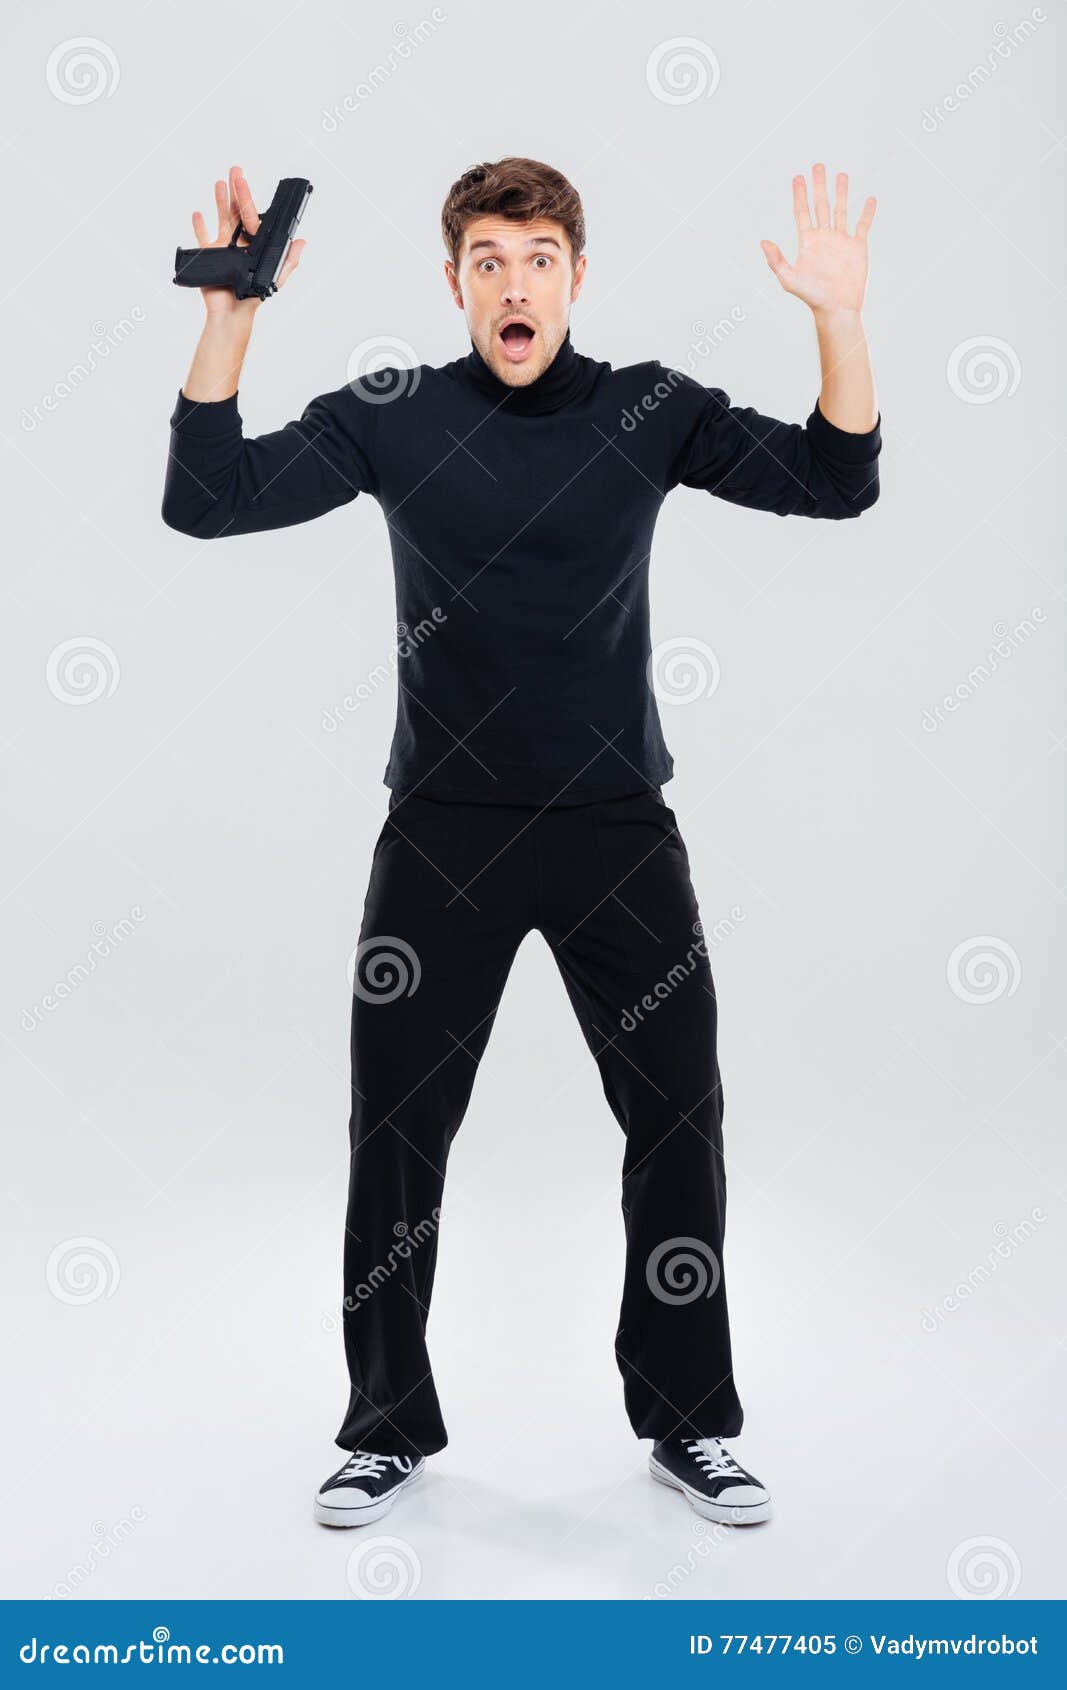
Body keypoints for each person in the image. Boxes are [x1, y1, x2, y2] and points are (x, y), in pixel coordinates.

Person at [163, 156, 880, 1532]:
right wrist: (230, 324)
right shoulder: (395, 415)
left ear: (575, 279)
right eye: (487, 260)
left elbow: (834, 481)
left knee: (678, 1120)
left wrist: (838, 322)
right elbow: (210, 500)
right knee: (398, 1131)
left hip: (618, 829)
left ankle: (688, 1418)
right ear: (454, 285)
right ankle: (384, 1428)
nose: (514, 283)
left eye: (538, 258)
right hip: (443, 834)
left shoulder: (648, 408)